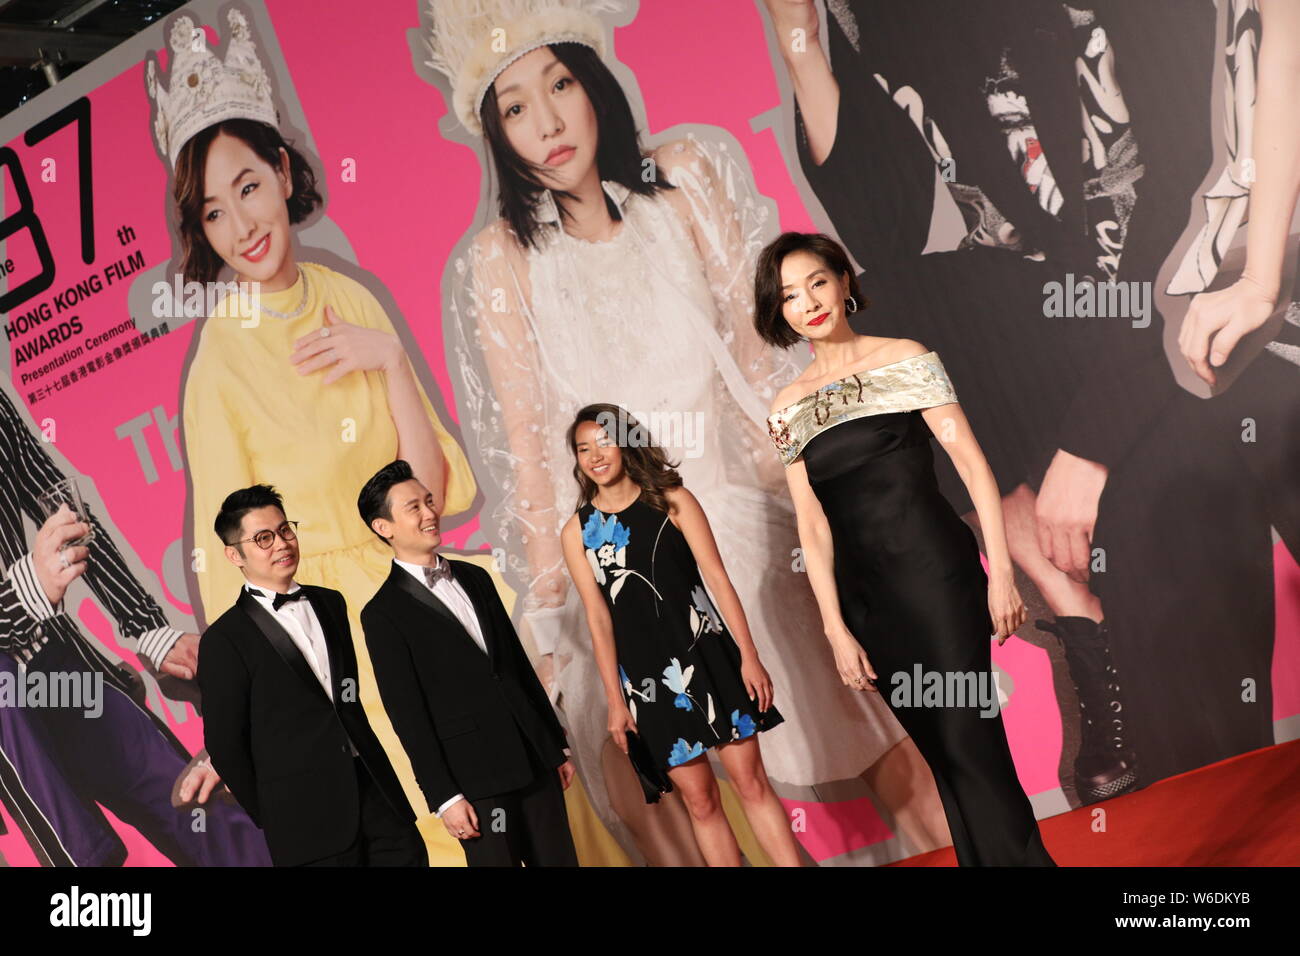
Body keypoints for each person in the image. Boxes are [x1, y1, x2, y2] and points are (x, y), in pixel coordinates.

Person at [423, 0, 947, 865]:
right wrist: (553, 609)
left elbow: (760, 360)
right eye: (514, 106)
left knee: (878, 723)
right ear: (494, 130)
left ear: (593, 80)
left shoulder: (687, 174)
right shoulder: (501, 261)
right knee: (652, 768)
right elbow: (527, 444)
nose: (548, 122)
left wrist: (815, 493)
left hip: (733, 497)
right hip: (627, 548)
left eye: (559, 83)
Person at [763, 0, 1278, 791]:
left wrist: (1089, 448)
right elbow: (885, 224)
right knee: (887, 309)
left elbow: (1193, 198)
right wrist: (799, 40)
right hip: (1057, 327)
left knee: (1190, 698)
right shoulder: (891, 19)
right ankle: (1072, 607)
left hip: (1184, 313)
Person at [146, 7, 481, 864]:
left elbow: (430, 496)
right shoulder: (218, 361)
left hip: (417, 597)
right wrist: (238, 717)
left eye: (249, 187)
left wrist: (391, 363)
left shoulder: (351, 298)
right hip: (335, 649)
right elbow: (225, 558)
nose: (241, 227)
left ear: (285, 171)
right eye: (213, 213)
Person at [759, 232, 1055, 866]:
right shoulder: (787, 407)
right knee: (945, 755)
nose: (807, 301)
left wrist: (999, 574)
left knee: (971, 739)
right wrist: (836, 631)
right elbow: (811, 527)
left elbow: (974, 467)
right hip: (867, 603)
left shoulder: (903, 358)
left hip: (938, 579)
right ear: (778, 312)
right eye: (788, 296)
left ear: (843, 281)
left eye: (816, 281)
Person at [0, 386, 269, 866]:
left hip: (51, 655)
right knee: (81, 859)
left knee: (189, 801)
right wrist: (22, 593)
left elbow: (58, 505)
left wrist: (147, 627)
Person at [561, 405, 803, 867]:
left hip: (709, 655)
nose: (595, 456)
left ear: (626, 441)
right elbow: (598, 620)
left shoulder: (672, 500)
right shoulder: (577, 533)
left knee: (752, 783)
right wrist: (616, 700)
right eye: (583, 449)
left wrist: (748, 657)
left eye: (603, 443)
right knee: (701, 802)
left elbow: (718, 579)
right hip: (649, 681)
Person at [357, 460, 579, 867]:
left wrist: (554, 744)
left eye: (429, 501)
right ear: (383, 527)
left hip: (533, 756)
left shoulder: (476, 577)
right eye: (414, 508)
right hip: (474, 781)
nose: (429, 513)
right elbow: (407, 714)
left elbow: (514, 664)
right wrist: (444, 797)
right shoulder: (382, 613)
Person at [198, 484, 426, 867]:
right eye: (264, 538)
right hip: (307, 826)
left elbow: (344, 702)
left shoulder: (329, 602)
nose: (282, 544)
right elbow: (224, 744)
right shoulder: (224, 639)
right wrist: (276, 813)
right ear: (233, 554)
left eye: (285, 530)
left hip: (378, 797)